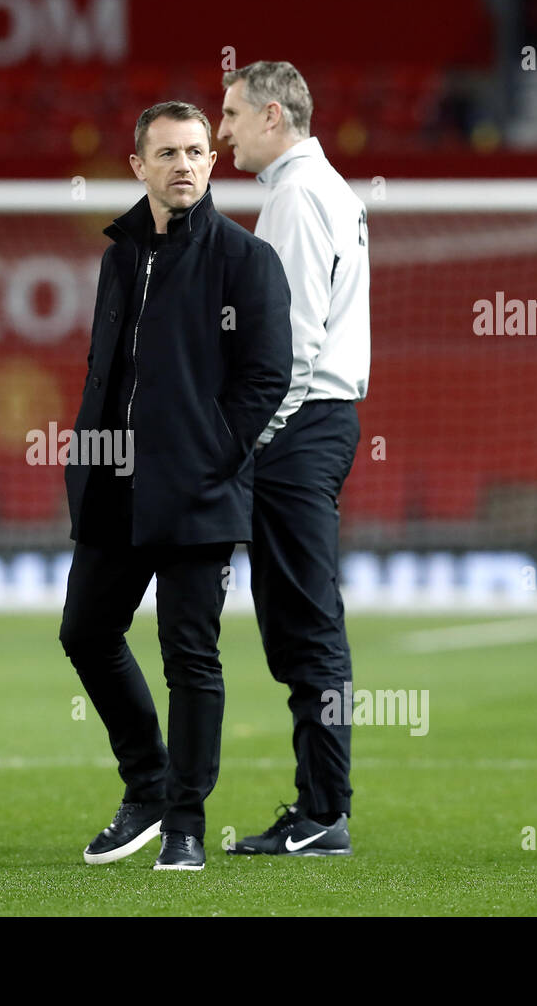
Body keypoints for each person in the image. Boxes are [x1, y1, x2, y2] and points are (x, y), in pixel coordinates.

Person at [59, 101, 292, 871]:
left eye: (196, 150)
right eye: (167, 153)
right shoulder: (120, 254)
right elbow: (109, 370)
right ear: (139, 167)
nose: (185, 164)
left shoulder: (246, 260)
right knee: (85, 633)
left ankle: (186, 820)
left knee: (189, 655)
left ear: (212, 162)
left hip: (198, 491)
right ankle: (148, 786)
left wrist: (211, 454)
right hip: (115, 484)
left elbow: (268, 378)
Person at [217, 61, 370, 856]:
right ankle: (321, 806)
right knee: (295, 616)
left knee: (306, 619)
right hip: (315, 420)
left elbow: (292, 343)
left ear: (273, 115)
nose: (222, 130)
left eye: (233, 112)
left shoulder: (300, 196)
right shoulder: (316, 188)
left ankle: (323, 812)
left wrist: (250, 438)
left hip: (301, 425)